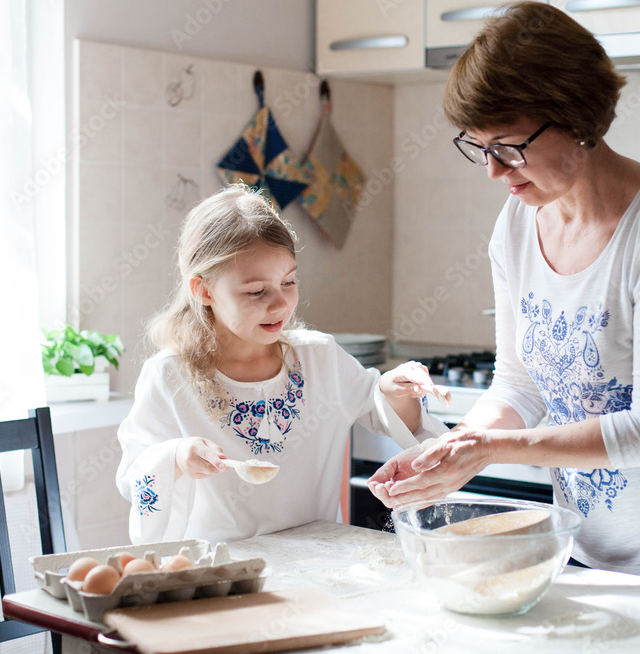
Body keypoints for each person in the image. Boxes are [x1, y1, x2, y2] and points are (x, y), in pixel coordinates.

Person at [369, 1, 640, 594]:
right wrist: (452, 448)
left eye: (507, 145)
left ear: (576, 117)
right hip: (581, 540)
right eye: (478, 146)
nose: (492, 170)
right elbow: (520, 385)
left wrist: (489, 449)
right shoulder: (516, 223)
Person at [116, 184, 446, 544]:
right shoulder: (170, 376)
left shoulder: (320, 357)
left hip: (319, 566)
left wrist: (393, 388)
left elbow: (389, 413)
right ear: (203, 290)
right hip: (221, 573)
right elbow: (134, 477)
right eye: (256, 291)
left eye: (288, 281)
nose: (279, 304)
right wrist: (178, 456)